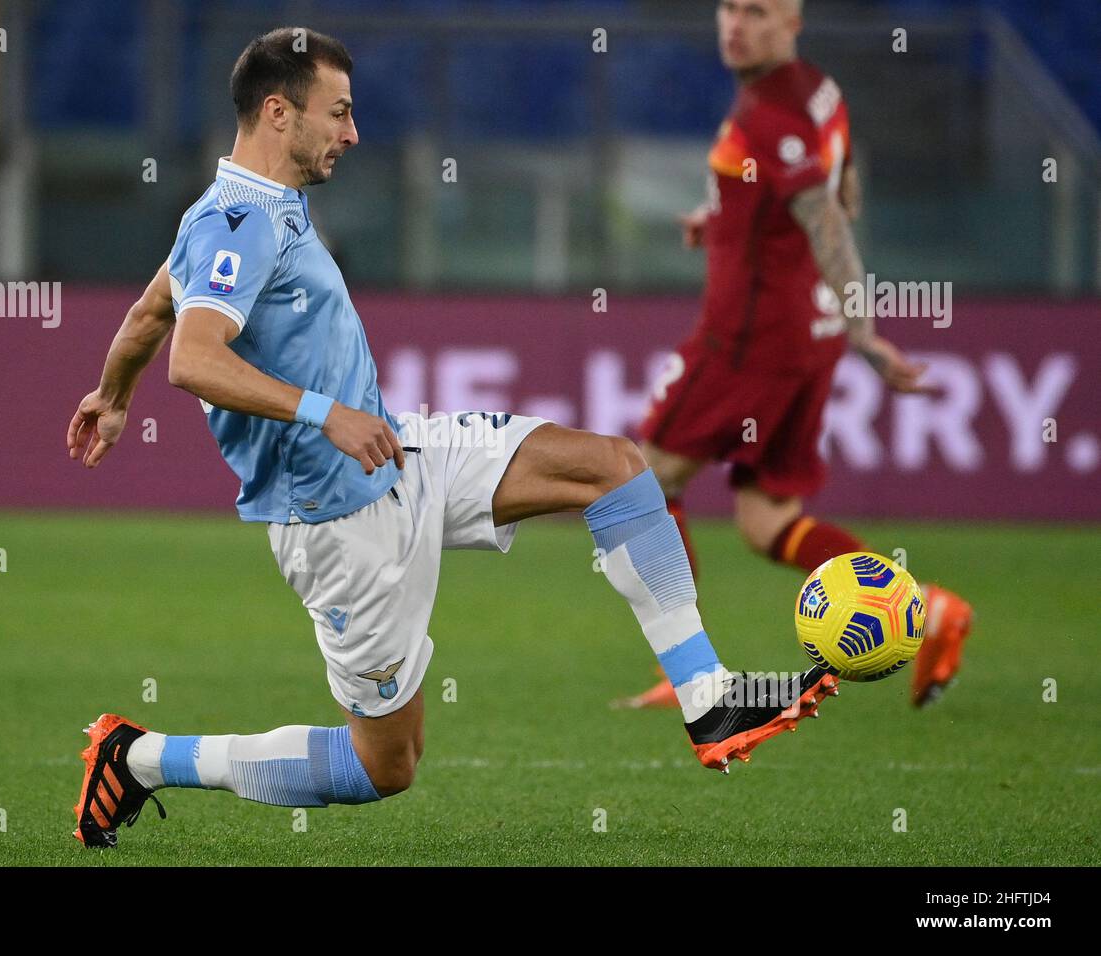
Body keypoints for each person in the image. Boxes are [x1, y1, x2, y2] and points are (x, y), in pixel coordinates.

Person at [64, 27, 836, 849]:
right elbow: (194, 355)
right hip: (338, 524)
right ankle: (140, 759)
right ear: (279, 113)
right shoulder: (235, 223)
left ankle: (707, 696)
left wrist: (112, 395)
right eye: (340, 113)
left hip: (399, 457)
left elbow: (154, 312)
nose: (353, 133)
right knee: (384, 768)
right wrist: (327, 413)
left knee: (614, 469)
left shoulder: (242, 210)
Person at [618, 0, 972, 712]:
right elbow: (846, 188)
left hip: (749, 341)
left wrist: (868, 334)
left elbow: (828, 219)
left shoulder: (770, 116)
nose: (735, 24)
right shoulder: (816, 89)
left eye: (757, 11)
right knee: (767, 520)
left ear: (793, 20)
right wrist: (722, 219)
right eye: (728, 8)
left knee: (643, 483)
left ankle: (691, 671)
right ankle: (930, 609)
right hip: (805, 340)